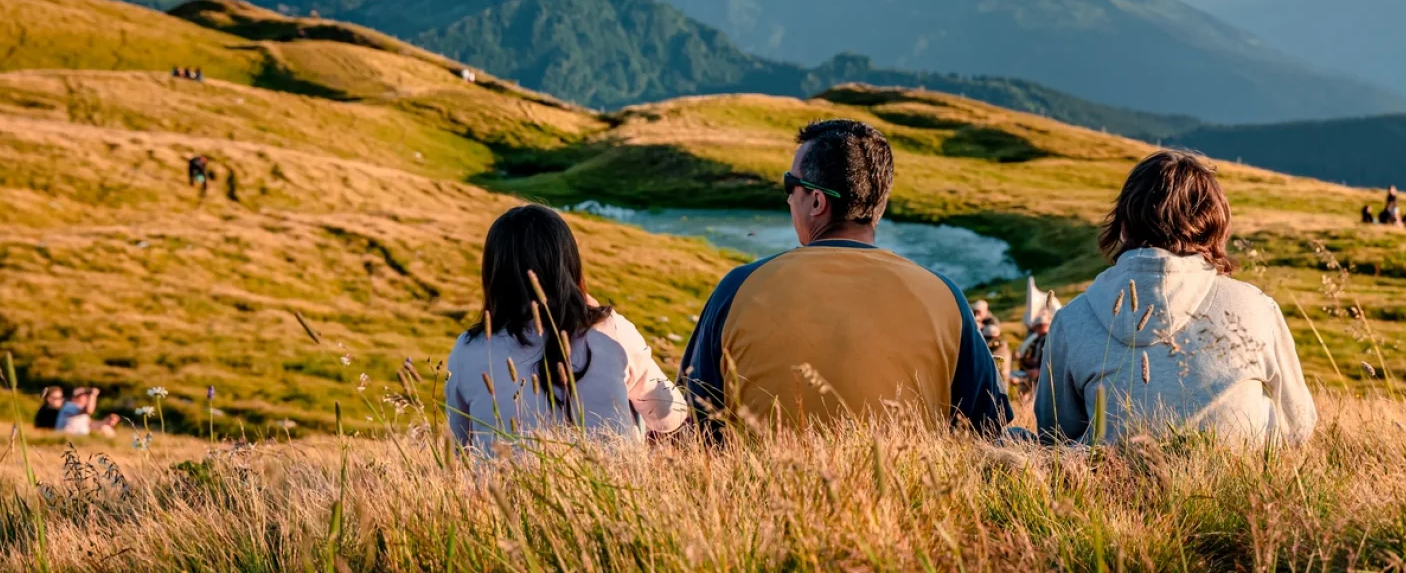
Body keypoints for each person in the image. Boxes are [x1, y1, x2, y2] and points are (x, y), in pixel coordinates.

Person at [681, 120, 1008, 437]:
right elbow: (987, 426)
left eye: (789, 184)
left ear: (817, 201)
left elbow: (696, 424)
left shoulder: (740, 288)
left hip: (758, 490)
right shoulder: (943, 296)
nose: (787, 198)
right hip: (910, 491)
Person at [1035, 150, 1316, 446]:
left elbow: (1054, 435)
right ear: (1214, 225)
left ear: (1123, 226)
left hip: (1111, 483)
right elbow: (1298, 424)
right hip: (1243, 484)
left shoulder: (1072, 318)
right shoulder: (1256, 307)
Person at [445, 205, 676, 453]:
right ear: (569, 265)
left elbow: (461, 446)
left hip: (505, 490)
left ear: (493, 273)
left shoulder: (468, 350)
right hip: (614, 487)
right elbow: (669, 417)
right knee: (635, 403)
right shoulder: (612, 330)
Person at [1010, 312, 1051, 396]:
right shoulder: (1038, 340)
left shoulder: (1048, 340)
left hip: (1043, 374)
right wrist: (1023, 360)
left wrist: (1039, 370)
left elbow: (1051, 359)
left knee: (1031, 396)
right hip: (1037, 372)